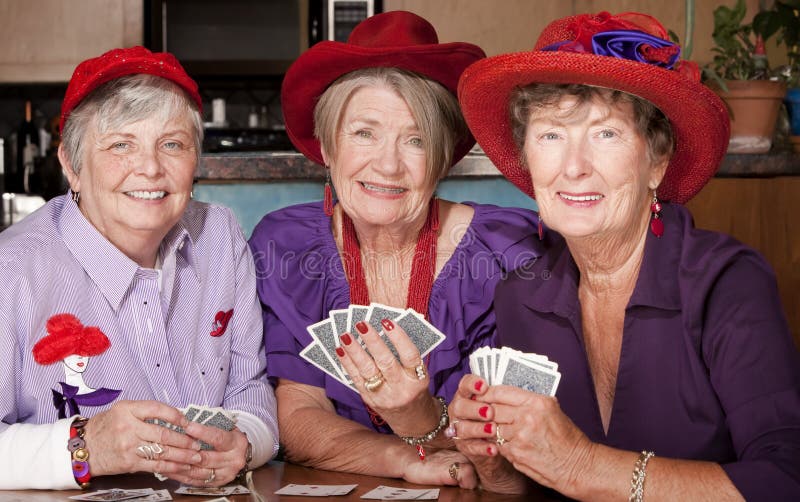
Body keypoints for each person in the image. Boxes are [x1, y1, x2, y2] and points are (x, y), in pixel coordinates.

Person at [449, 11, 800, 500]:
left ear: (657, 160)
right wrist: (492, 461)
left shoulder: (727, 283)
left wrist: (583, 465)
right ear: (527, 158)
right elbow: (528, 488)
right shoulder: (519, 297)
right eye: (551, 135)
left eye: (606, 133)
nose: (573, 167)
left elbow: (788, 480)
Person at [248, 11, 541, 487]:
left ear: (444, 154)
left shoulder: (508, 254)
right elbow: (299, 411)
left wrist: (422, 419)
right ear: (327, 145)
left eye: (416, 140)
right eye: (364, 133)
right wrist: (405, 459)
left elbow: (516, 461)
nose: (387, 164)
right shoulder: (286, 245)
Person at [0, 46, 279, 490]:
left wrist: (246, 443)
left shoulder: (221, 238)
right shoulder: (11, 270)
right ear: (72, 166)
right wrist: (87, 447)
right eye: (121, 145)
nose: (150, 168)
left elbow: (250, 386)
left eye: (172, 145)